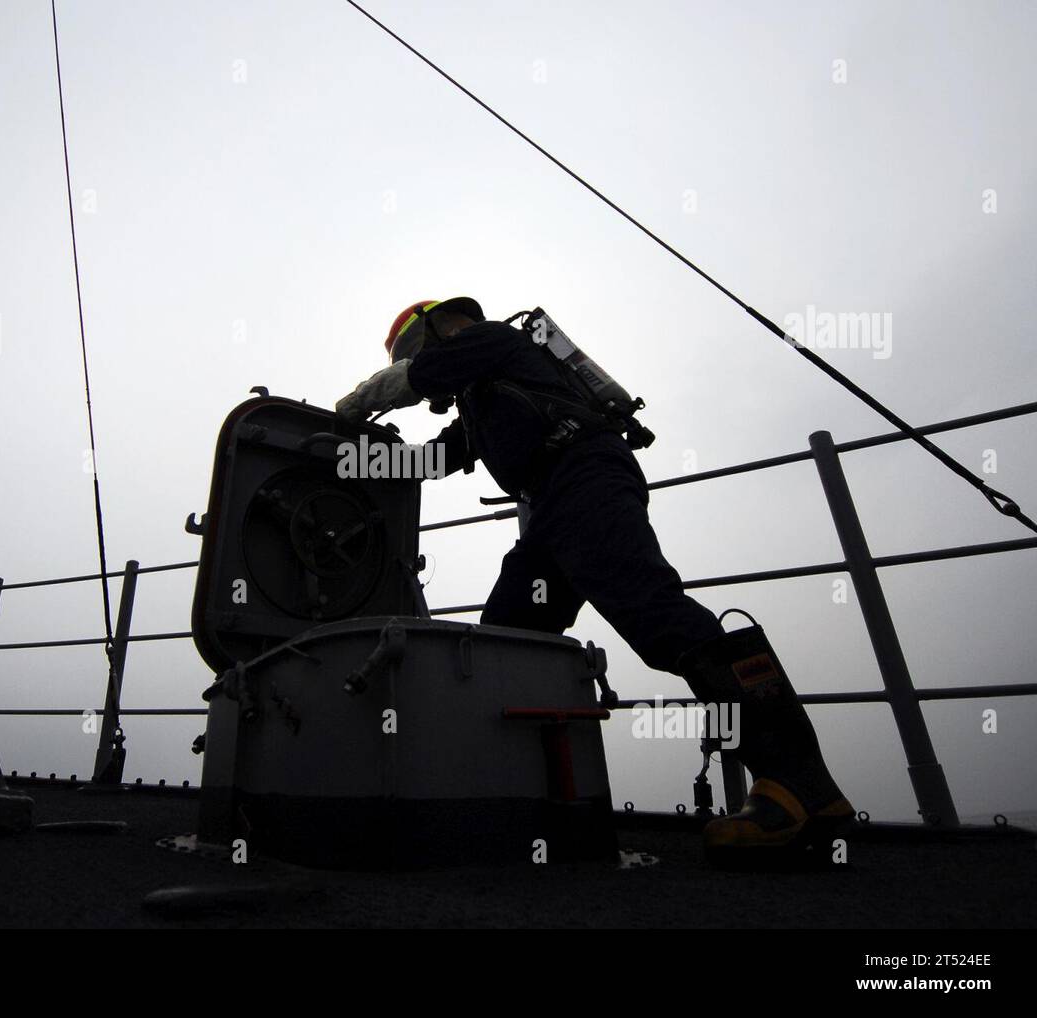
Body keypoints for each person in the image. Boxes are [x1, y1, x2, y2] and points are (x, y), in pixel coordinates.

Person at [336, 297, 854, 860]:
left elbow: (422, 375)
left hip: (587, 481)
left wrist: (356, 404)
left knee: (657, 617)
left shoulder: (494, 342)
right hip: (554, 510)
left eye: (417, 348)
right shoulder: (483, 396)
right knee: (507, 639)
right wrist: (346, 462)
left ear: (439, 332)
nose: (427, 361)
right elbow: (430, 462)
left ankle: (796, 779)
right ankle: (515, 802)